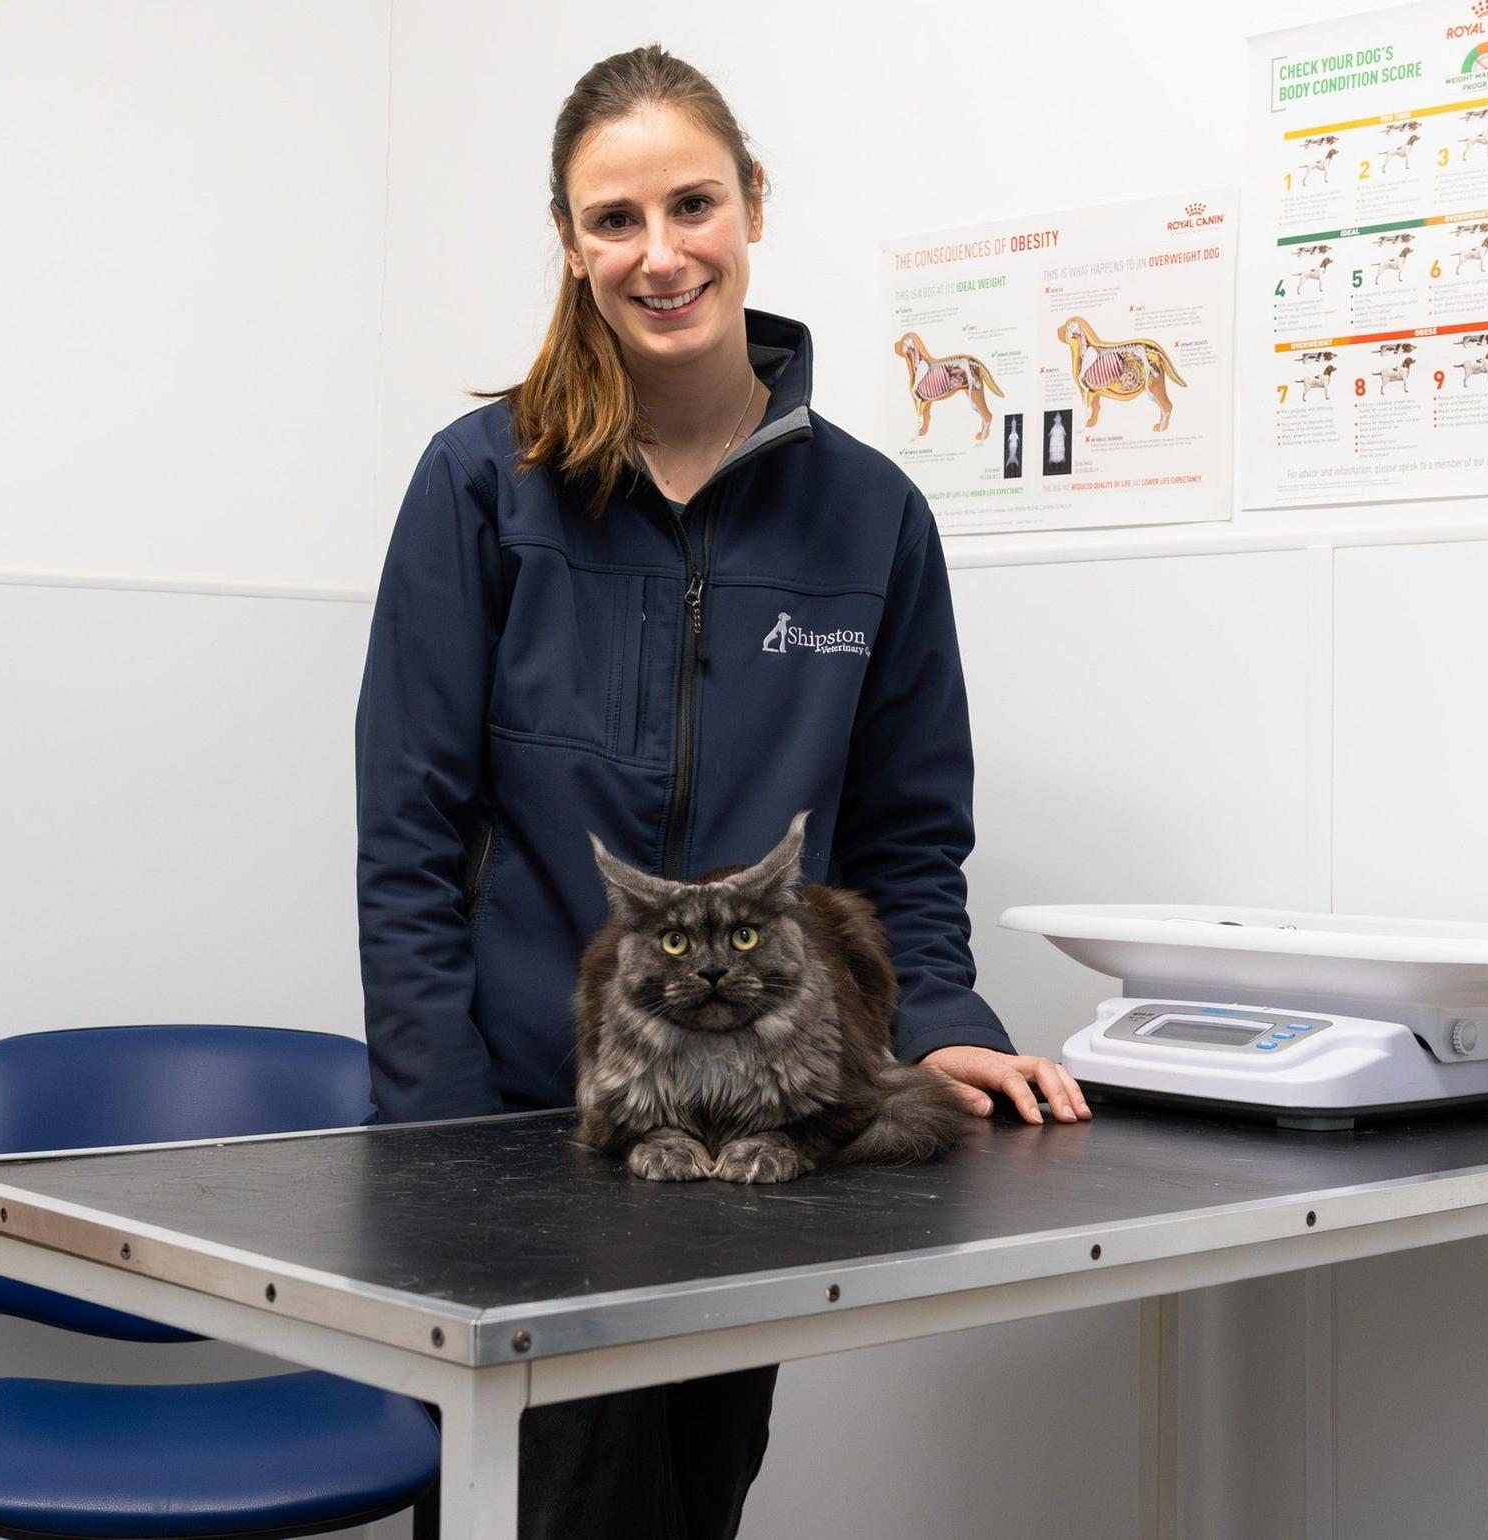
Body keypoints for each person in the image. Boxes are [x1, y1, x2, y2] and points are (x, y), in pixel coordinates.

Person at [355, 42, 1090, 1540]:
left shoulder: (870, 513)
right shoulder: (481, 485)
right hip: (529, 1127)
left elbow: (905, 831)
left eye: (691, 204)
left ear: (753, 204)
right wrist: (439, 1138)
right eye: (613, 220)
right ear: (570, 245)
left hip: (764, 1125)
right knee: (547, 1511)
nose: (660, 252)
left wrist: (939, 1022)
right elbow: (408, 835)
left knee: (692, 1503)